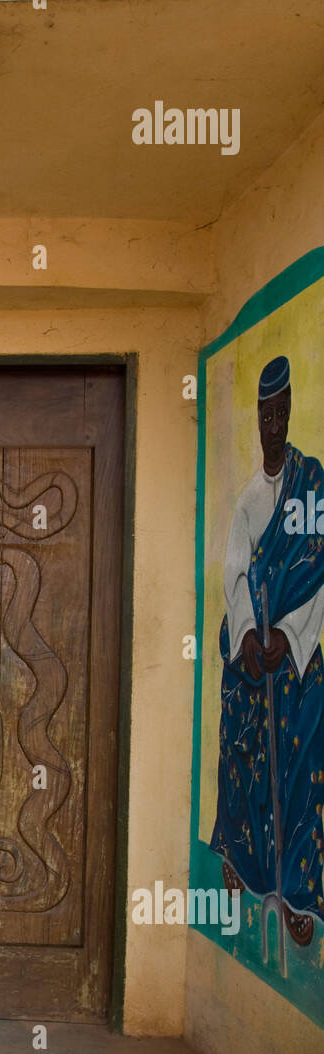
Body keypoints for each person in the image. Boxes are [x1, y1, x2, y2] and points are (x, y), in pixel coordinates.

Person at [210, 355, 324, 948]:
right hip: (254, 660)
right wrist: (253, 633)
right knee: (243, 757)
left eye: (281, 414)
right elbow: (233, 573)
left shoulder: (315, 487)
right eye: (265, 416)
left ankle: (296, 894)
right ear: (257, 420)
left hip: (299, 662)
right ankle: (241, 858)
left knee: (302, 773)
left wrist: (290, 634)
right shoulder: (252, 499)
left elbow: (320, 572)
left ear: (290, 414)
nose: (273, 425)